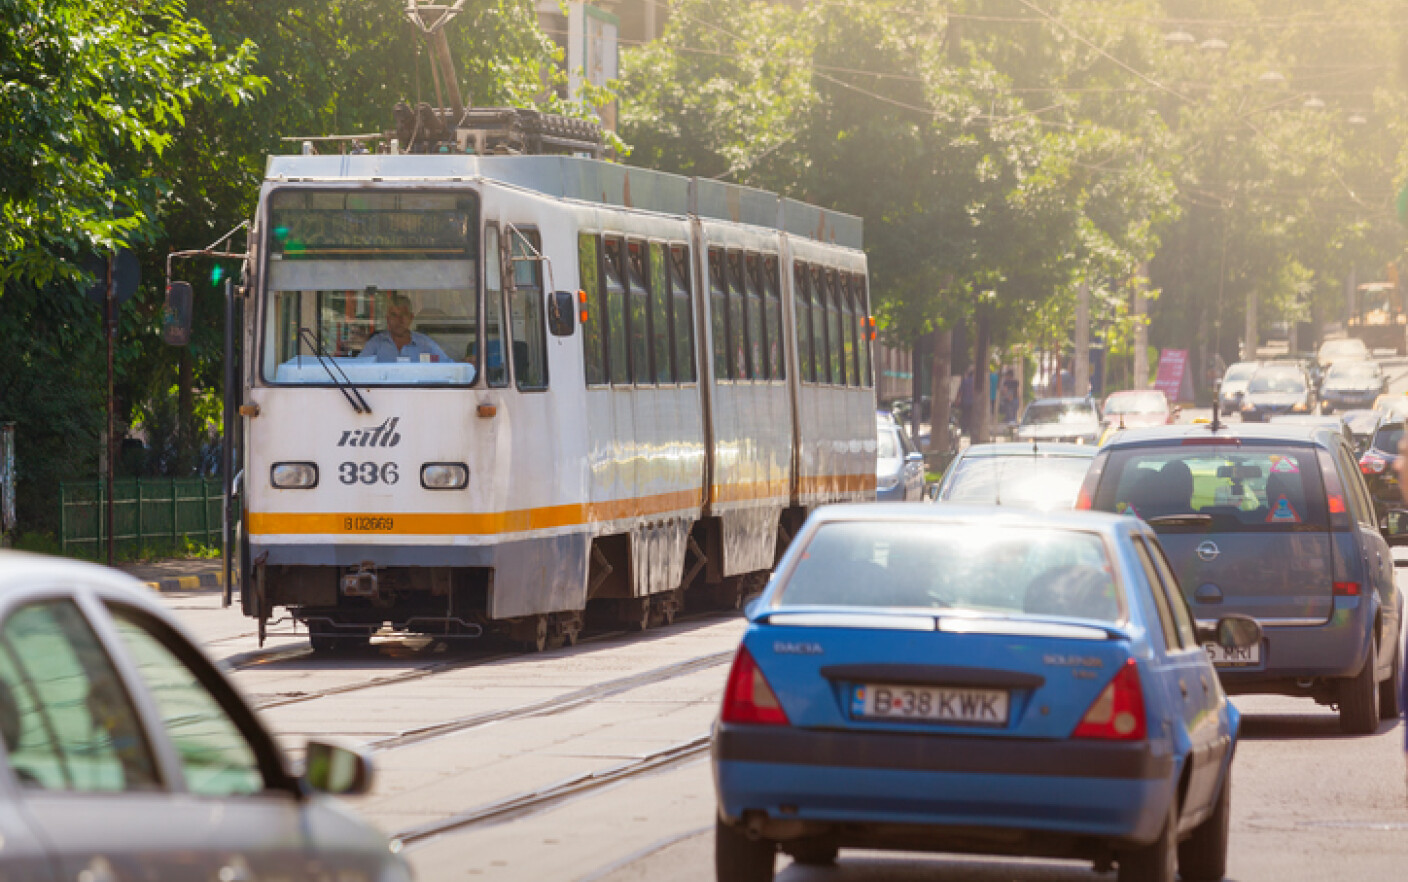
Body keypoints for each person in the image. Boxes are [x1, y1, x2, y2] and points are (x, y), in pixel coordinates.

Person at [359, 293, 451, 363]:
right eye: (394, 315)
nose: (399, 320)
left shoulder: (424, 343)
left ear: (411, 318)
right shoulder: (376, 343)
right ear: (387, 319)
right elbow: (358, 369)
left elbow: (448, 366)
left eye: (404, 315)